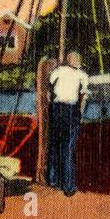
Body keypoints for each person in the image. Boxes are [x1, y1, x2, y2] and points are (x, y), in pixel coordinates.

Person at [47, 51, 90, 196]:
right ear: (77, 61)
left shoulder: (58, 71)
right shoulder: (82, 75)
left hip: (57, 109)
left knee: (55, 144)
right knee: (68, 148)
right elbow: (83, 97)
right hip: (71, 110)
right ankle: (68, 186)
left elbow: (49, 88)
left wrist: (51, 103)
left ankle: (53, 179)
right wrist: (80, 114)